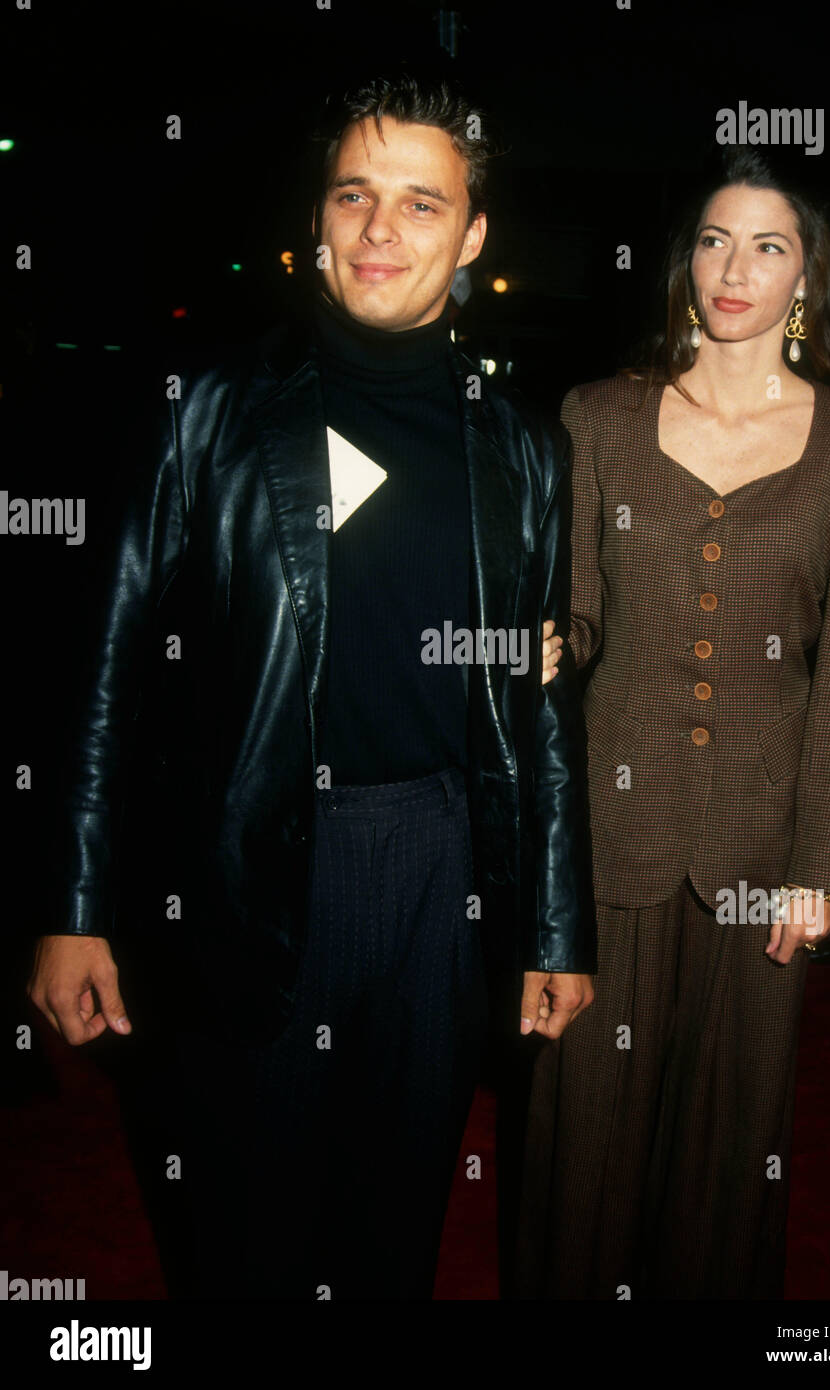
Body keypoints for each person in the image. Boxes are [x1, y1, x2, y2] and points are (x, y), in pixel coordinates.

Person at [26, 74, 595, 1301]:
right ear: (321, 217)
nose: (382, 228)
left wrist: (554, 926)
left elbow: (542, 704)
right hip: (257, 866)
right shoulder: (209, 411)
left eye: (421, 203)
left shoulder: (522, 447)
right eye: (356, 195)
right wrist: (73, 902)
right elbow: (104, 669)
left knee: (394, 1238)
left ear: (473, 236)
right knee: (246, 1241)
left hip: (444, 879)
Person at [515, 148, 830, 1300]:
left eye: (769, 246)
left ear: (807, 276)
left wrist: (823, 868)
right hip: (607, 847)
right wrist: (541, 641)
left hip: (764, 856)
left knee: (728, 1160)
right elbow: (579, 619)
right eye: (715, 239)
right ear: (686, 261)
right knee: (576, 1143)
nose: (735, 268)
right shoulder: (597, 418)